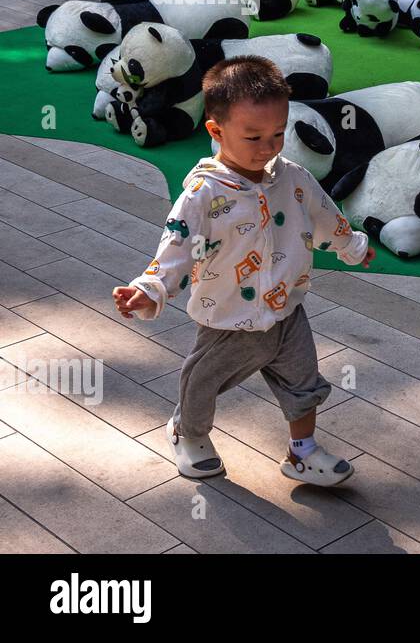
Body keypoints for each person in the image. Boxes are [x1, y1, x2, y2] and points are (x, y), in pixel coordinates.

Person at [112, 57, 375, 486]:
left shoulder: (293, 178)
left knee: (304, 383)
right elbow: (176, 247)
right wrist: (151, 288)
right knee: (203, 382)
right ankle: (188, 432)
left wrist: (350, 245)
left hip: (287, 306)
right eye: (252, 136)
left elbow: (324, 214)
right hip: (227, 314)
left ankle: (302, 453)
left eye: (277, 134)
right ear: (216, 131)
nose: (268, 147)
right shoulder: (202, 194)